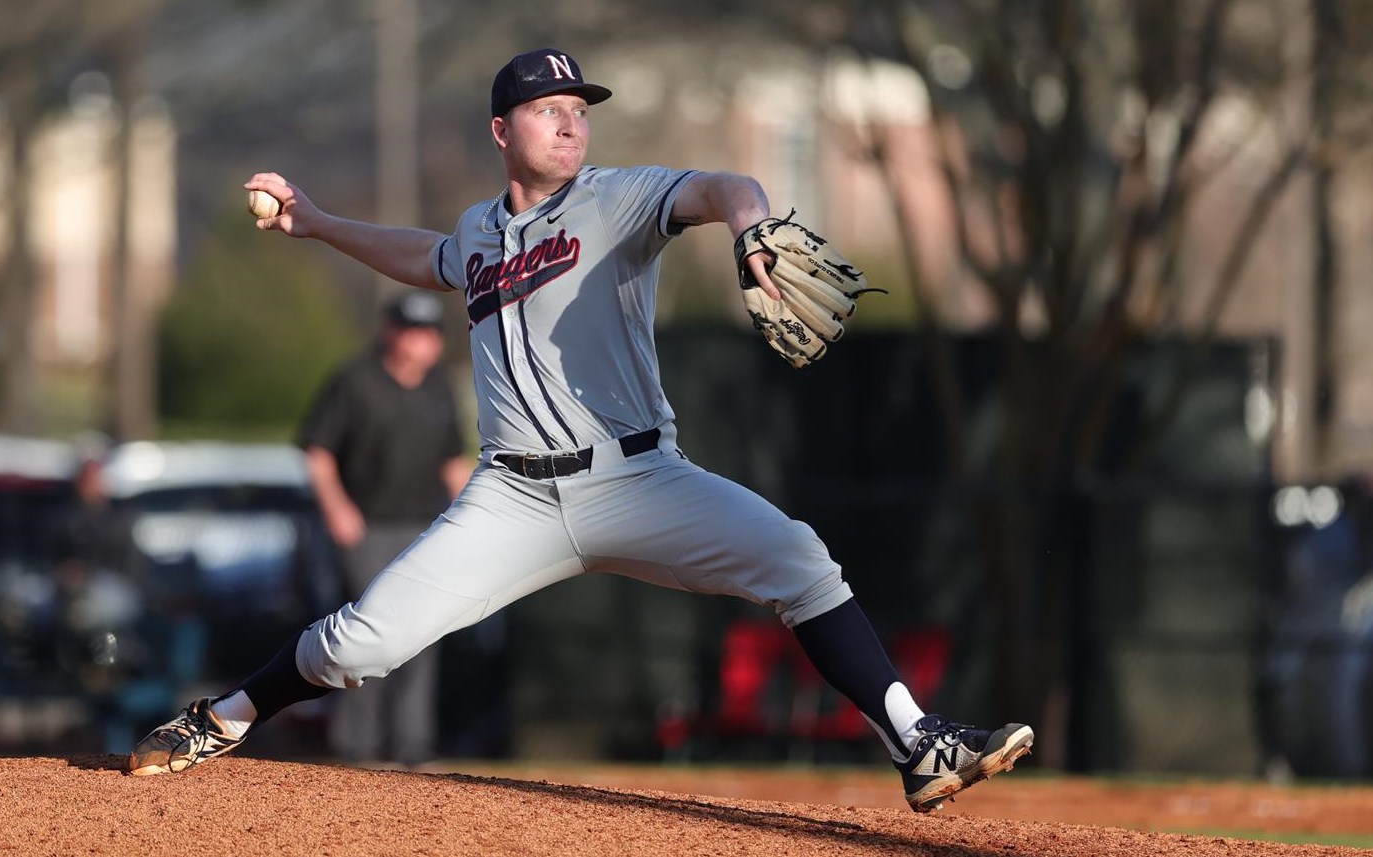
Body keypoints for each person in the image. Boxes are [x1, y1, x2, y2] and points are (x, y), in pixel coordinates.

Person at [129, 47, 1032, 812]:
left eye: (578, 110)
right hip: (510, 495)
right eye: (547, 109)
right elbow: (425, 256)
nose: (570, 124)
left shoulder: (618, 200)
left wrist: (752, 226)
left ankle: (921, 742)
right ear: (501, 132)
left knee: (800, 560)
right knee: (365, 639)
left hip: (639, 481)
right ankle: (225, 716)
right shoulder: (480, 231)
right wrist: (318, 223)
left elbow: (725, 184)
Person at [300, 291, 471, 765]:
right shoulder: (356, 381)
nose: (421, 342)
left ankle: (412, 745)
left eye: (430, 333)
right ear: (390, 332)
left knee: (422, 633)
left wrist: (472, 517)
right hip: (367, 527)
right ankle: (358, 745)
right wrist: (337, 509)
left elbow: (453, 461)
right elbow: (318, 452)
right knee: (368, 631)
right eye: (412, 331)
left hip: (424, 528)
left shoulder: (439, 386)